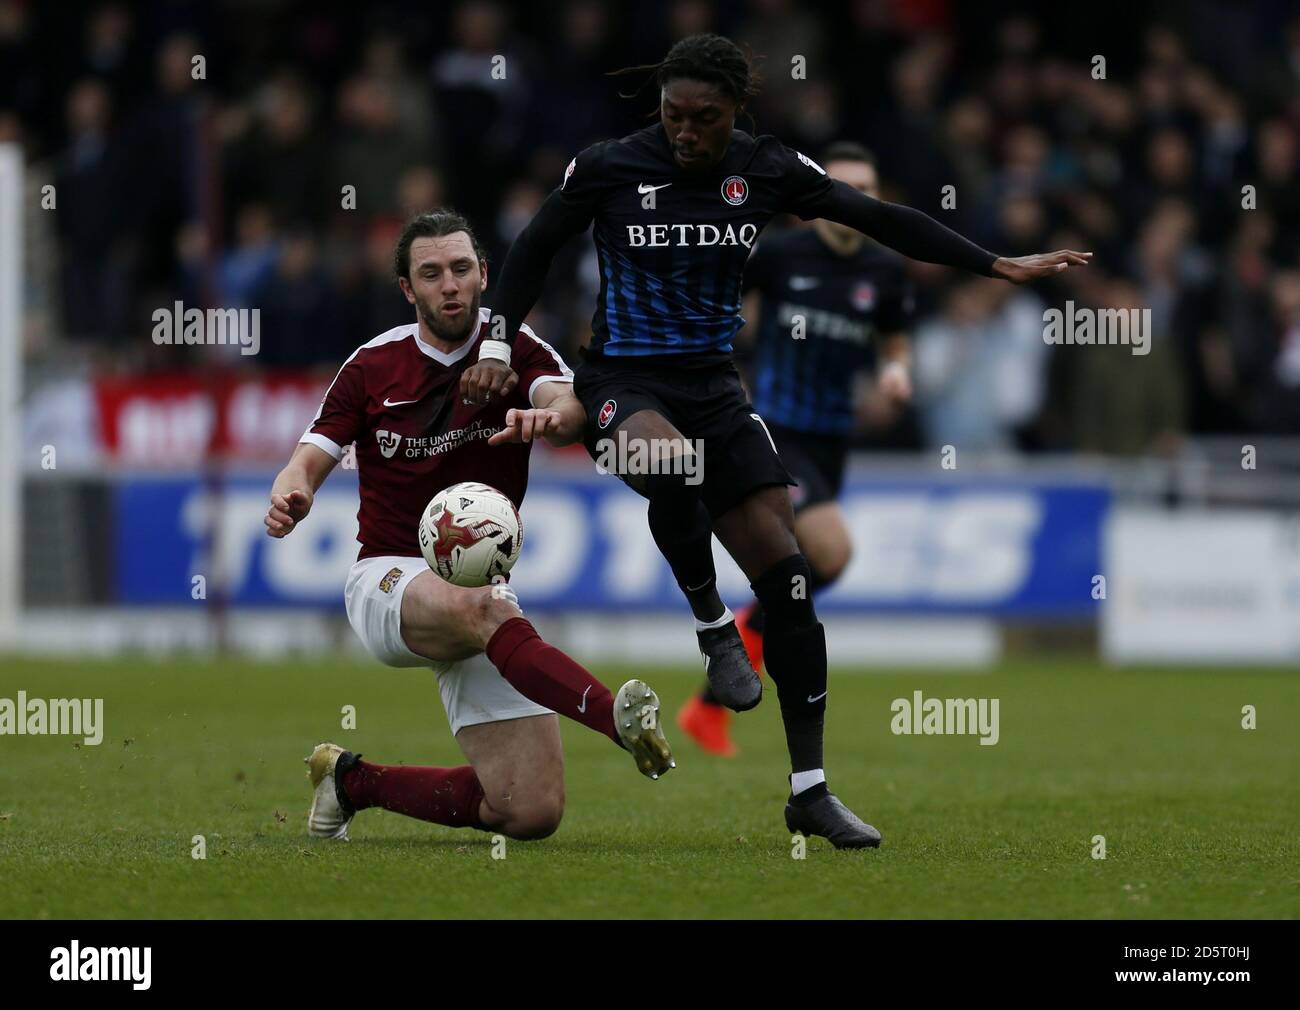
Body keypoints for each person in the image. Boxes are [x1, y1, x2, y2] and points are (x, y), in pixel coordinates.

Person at [459, 34, 1090, 848]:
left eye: (705, 120)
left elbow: (874, 217)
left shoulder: (764, 167)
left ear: (735, 114)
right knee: (671, 465)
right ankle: (714, 626)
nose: (686, 133)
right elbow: (536, 246)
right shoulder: (610, 165)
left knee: (791, 582)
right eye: (674, 116)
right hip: (623, 383)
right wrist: (498, 345)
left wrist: (992, 263)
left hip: (717, 391)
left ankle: (810, 789)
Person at [265, 210, 673, 844]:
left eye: (461, 269)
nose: (449, 285)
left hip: (483, 594)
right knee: (481, 606)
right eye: (431, 274)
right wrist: (292, 491)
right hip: (388, 580)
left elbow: (565, 404)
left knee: (528, 809)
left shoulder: (521, 350)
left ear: (485, 274)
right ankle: (611, 715)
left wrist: (549, 420)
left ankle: (349, 783)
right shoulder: (374, 366)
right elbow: (308, 457)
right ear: (409, 289)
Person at [677, 141, 915, 757]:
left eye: (864, 189)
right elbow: (725, 302)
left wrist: (897, 371)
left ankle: (710, 699)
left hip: (833, 440)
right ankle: (727, 682)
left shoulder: (885, 270)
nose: (851, 202)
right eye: (843, 189)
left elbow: (895, 339)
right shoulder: (781, 254)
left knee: (805, 574)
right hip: (777, 432)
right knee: (830, 553)